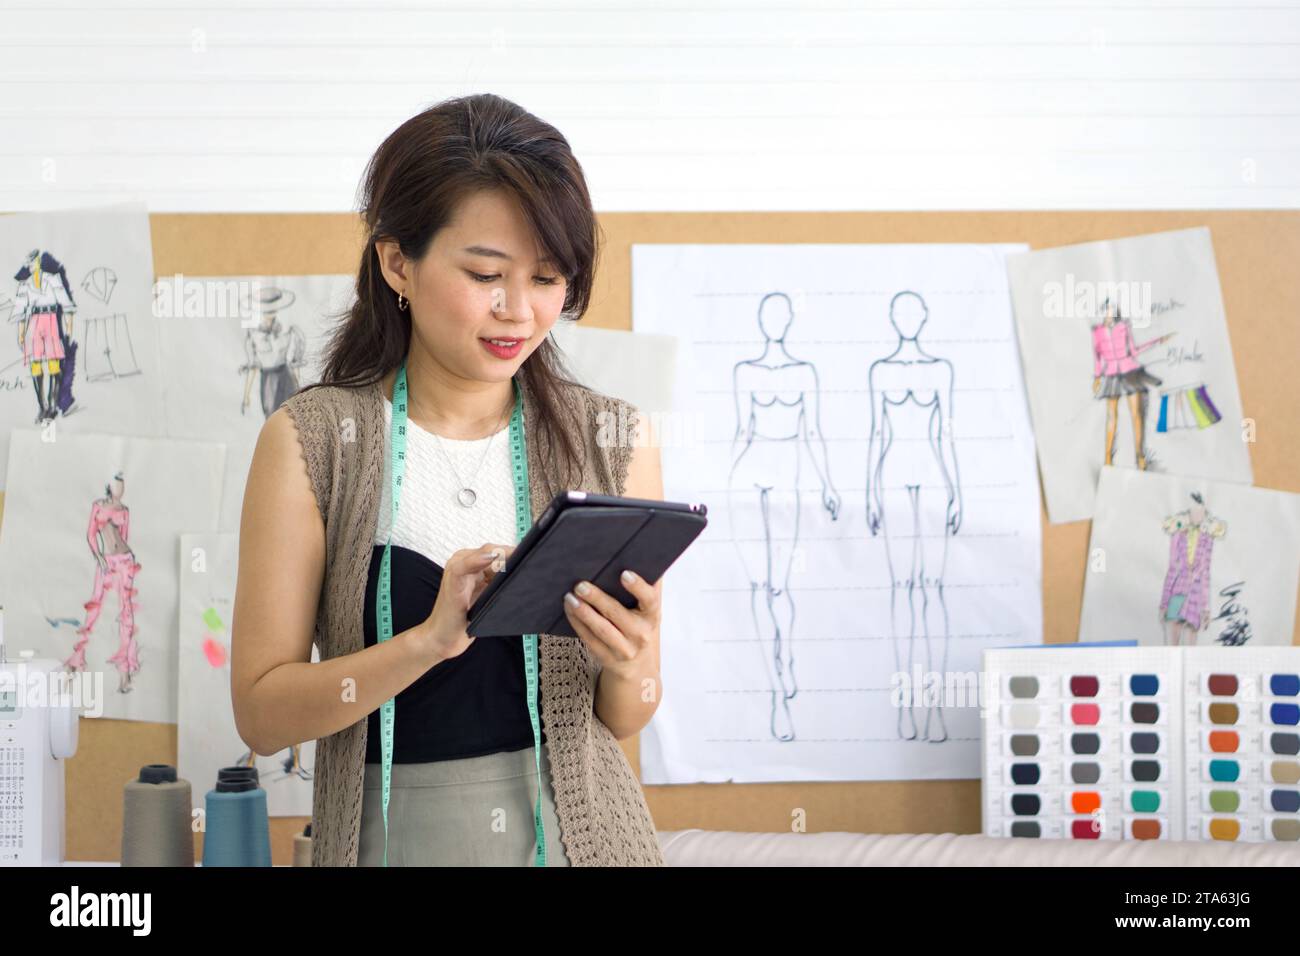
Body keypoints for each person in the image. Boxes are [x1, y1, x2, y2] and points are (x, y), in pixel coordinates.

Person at [230, 94, 666, 867]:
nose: (519, 312)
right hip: (386, 844)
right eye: (485, 274)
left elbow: (624, 718)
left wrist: (633, 662)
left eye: (546, 278)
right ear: (398, 262)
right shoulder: (313, 442)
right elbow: (262, 716)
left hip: (583, 845)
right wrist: (425, 644)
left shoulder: (615, 443)